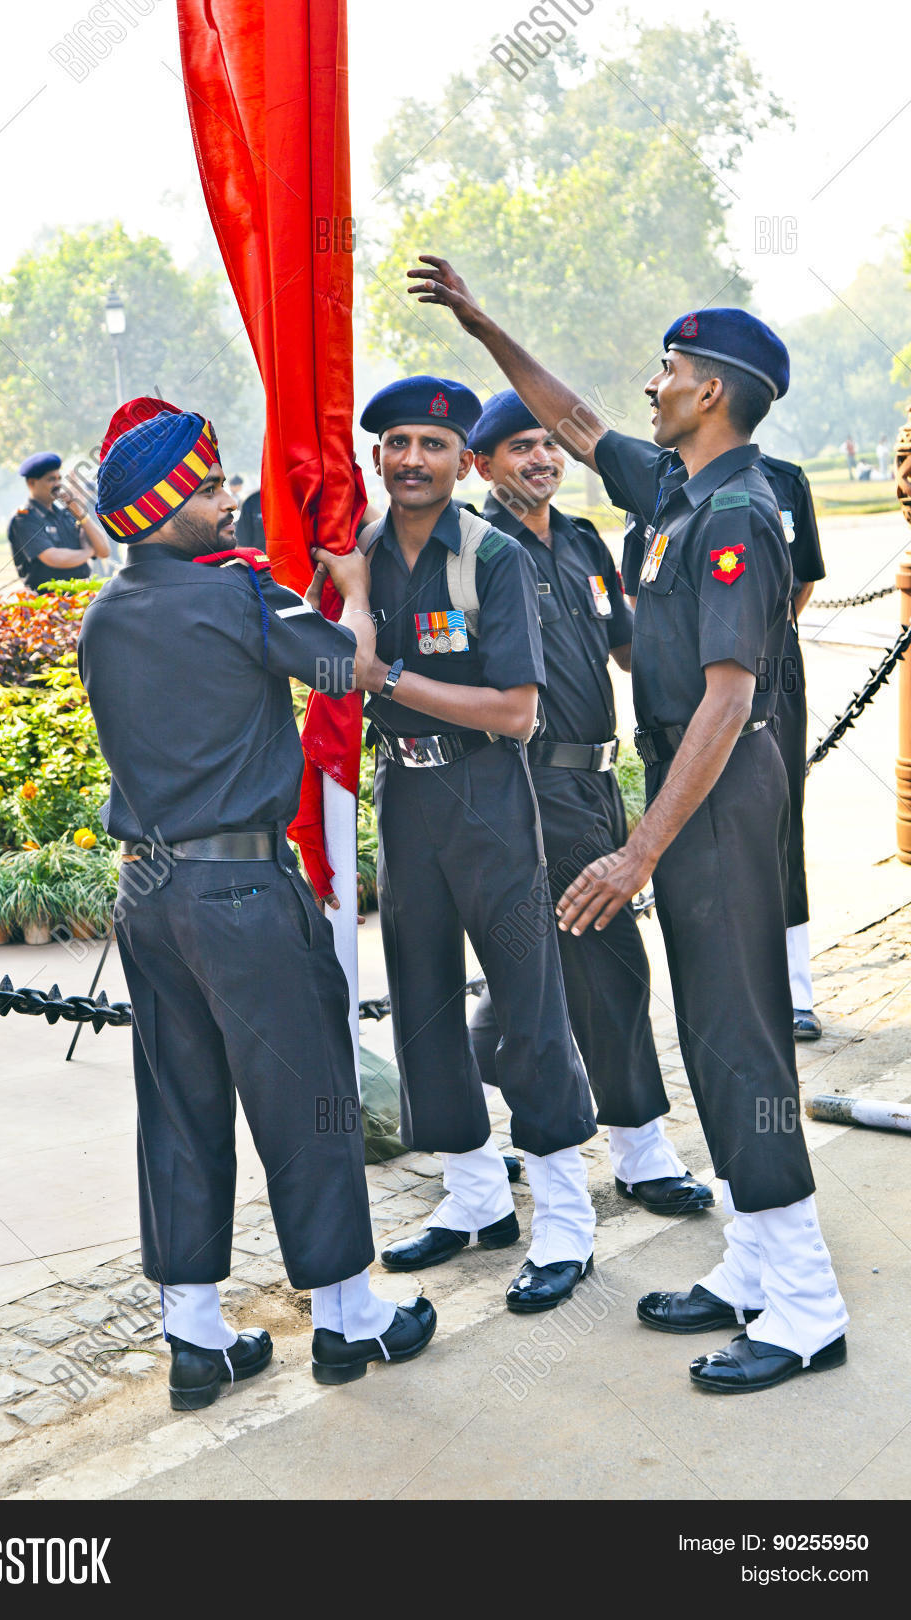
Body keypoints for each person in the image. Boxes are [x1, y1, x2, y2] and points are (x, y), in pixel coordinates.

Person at [408, 256, 848, 1392]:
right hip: (692, 795)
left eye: (668, 369)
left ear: (710, 392)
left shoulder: (737, 514)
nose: (649, 386)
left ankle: (803, 1305)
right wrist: (481, 323)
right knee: (710, 1029)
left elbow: (730, 695)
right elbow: (574, 417)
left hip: (715, 800)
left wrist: (636, 847)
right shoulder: (680, 490)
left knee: (741, 1039)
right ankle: (753, 1263)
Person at [78, 405, 436, 1406]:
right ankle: (349, 1319)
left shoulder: (106, 615)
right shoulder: (235, 598)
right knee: (311, 1097)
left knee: (179, 1108)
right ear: (164, 510)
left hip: (148, 897)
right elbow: (348, 670)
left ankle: (195, 1338)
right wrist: (354, 593)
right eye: (210, 489)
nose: (230, 499)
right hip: (239, 888)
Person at [357, 374, 599, 1315]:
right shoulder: (364, 558)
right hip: (404, 797)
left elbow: (515, 710)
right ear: (378, 458)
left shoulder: (490, 558)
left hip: (488, 794)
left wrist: (391, 676)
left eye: (431, 444)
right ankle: (475, 1197)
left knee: (530, 1002)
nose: (412, 459)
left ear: (465, 462)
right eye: (397, 444)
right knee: (419, 1001)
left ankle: (568, 1221)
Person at [462, 388, 713, 1215]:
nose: (541, 459)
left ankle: (490, 1112)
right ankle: (640, 1149)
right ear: (481, 464)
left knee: (531, 970)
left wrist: (721, 658)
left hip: (600, 782)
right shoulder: (472, 552)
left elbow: (630, 647)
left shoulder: (579, 541)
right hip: (529, 785)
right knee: (607, 965)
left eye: (547, 445)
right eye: (518, 448)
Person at [623, 454, 827, 1040]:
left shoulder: (783, 481)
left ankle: (793, 988)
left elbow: (803, 577)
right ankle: (725, 995)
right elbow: (640, 589)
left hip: (771, 683)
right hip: (693, 686)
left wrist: (750, 635)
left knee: (783, 824)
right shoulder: (660, 487)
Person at [9, 452, 111, 591]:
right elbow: (54, 558)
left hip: (80, 598)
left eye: (59, 478)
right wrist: (88, 552)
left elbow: (104, 551)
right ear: (32, 483)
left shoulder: (67, 514)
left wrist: (81, 514)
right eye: (51, 479)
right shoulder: (24, 518)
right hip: (48, 603)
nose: (58, 484)